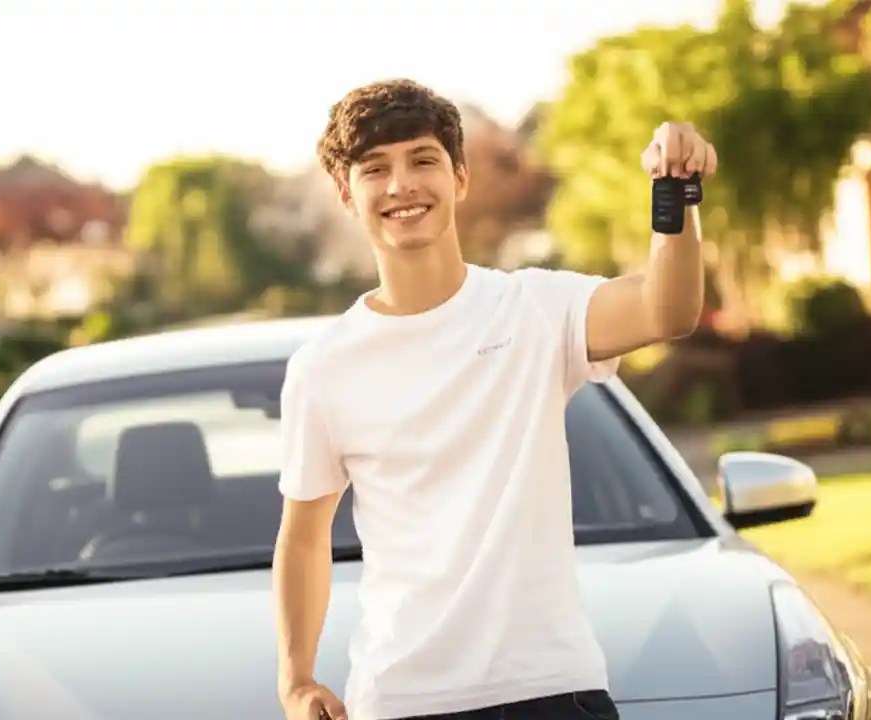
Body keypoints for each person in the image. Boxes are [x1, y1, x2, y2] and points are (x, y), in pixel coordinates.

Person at [273, 78, 717, 720]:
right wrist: (296, 678)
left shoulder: (535, 308)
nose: (401, 185)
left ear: (459, 176)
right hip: (402, 699)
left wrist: (674, 192)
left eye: (423, 160)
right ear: (347, 193)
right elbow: (305, 537)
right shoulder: (323, 367)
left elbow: (666, 310)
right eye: (375, 169)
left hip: (552, 688)